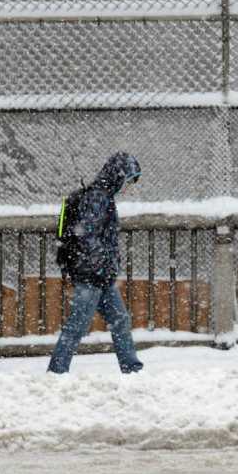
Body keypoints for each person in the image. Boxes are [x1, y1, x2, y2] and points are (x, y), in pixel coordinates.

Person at [46, 152, 145, 375]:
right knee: (78, 325)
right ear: (118, 176)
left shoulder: (103, 196)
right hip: (91, 275)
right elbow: (86, 235)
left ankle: (132, 367)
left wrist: (105, 267)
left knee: (119, 320)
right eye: (128, 181)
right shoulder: (98, 198)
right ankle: (57, 371)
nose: (128, 187)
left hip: (101, 275)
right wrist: (100, 264)